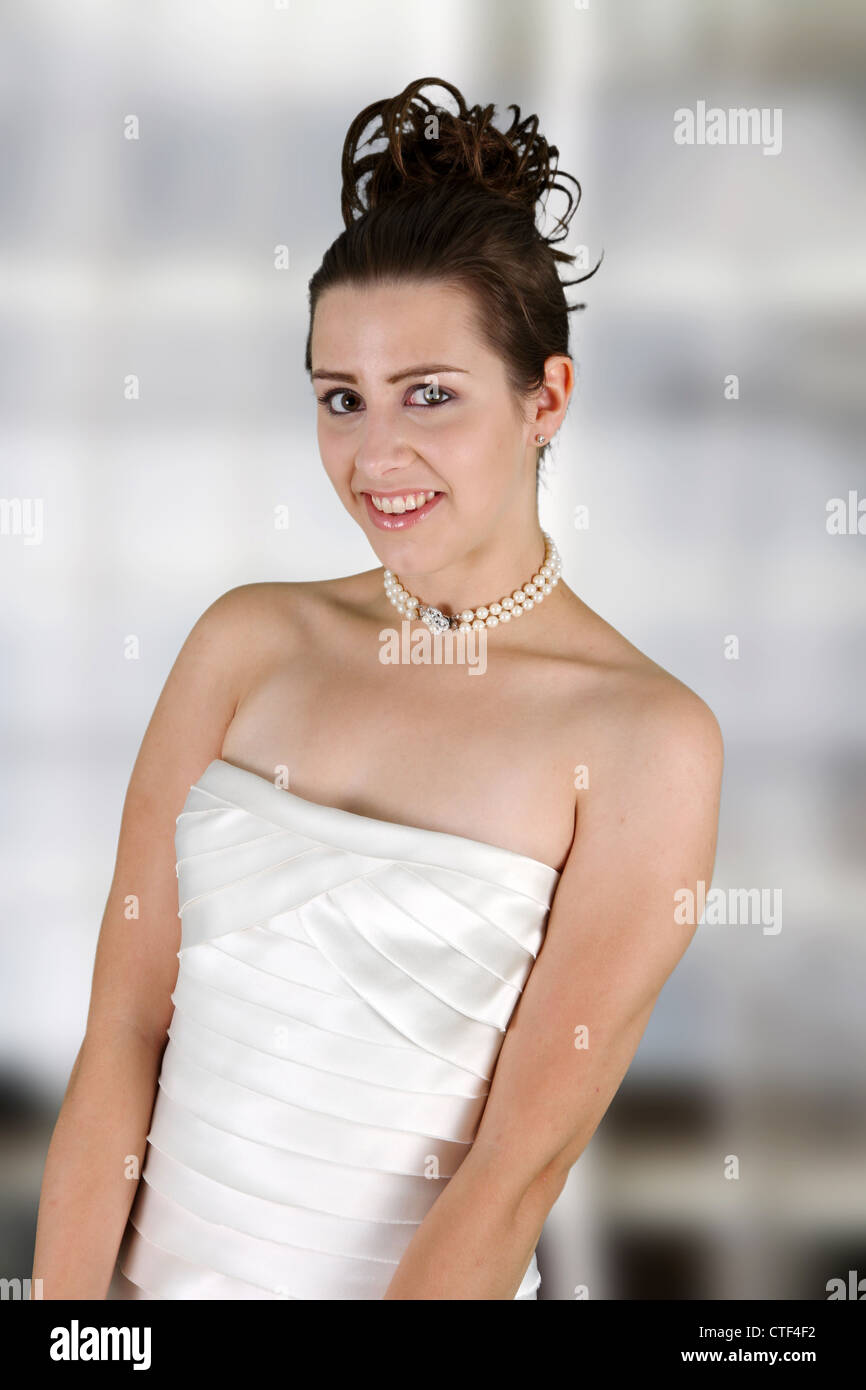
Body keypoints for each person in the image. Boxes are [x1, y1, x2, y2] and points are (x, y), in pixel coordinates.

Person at [32, 76, 723, 1300]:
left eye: (430, 395)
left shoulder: (642, 740)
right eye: (339, 399)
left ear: (544, 398)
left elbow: (514, 1169)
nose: (374, 455)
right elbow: (125, 1037)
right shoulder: (244, 643)